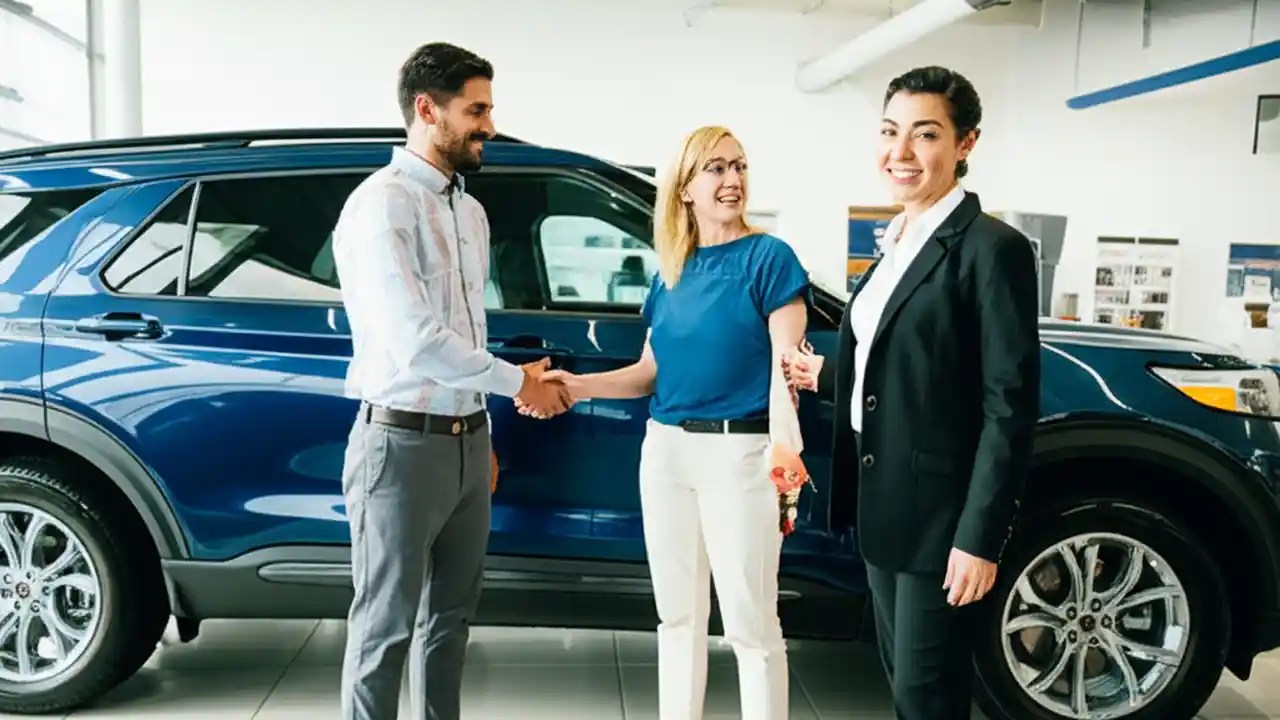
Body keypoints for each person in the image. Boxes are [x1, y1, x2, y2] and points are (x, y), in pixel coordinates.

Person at [525, 126, 811, 720]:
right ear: (684, 188)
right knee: (677, 616)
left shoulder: (770, 259)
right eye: (715, 169)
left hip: (741, 455)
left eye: (738, 166)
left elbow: (789, 368)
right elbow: (651, 371)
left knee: (750, 624)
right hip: (666, 454)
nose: (732, 180)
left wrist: (787, 452)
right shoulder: (670, 273)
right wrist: (577, 387)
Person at [782, 66, 1040, 719]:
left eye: (925, 135)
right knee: (907, 689)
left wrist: (980, 537)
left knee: (927, 697)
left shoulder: (991, 249)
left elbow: (1007, 407)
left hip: (941, 520)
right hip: (886, 509)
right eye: (890, 131)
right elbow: (909, 364)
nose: (900, 152)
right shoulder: (897, 241)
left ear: (966, 144)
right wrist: (828, 376)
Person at [331, 42, 571, 720]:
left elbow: (467, 335)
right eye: (477, 110)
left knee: (451, 622)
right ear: (427, 110)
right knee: (384, 630)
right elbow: (414, 340)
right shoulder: (381, 206)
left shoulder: (470, 211)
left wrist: (479, 425)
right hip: (399, 447)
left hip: (465, 445)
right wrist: (516, 384)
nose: (489, 125)